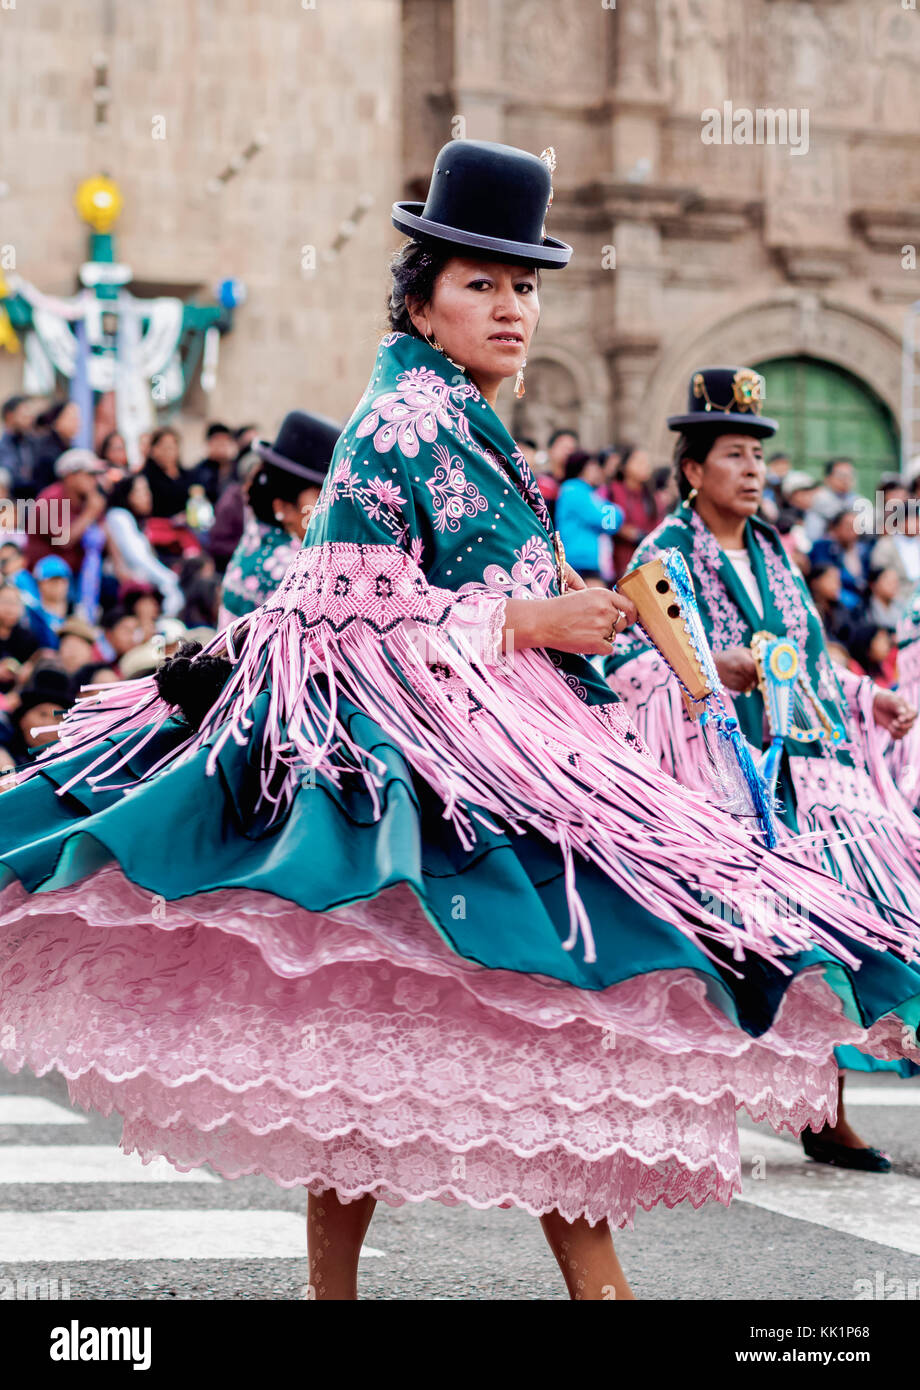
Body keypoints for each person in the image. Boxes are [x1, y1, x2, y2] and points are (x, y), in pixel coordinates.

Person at [2, 142, 920, 1302]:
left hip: (502, 760)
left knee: (454, 1039)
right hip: (432, 776)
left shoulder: (470, 427)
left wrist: (596, 637)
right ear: (422, 294)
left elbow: (502, 612)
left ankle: (416, 1294)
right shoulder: (400, 426)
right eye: (479, 281)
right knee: (516, 1020)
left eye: (524, 285)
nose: (509, 307)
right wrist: (531, 622)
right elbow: (337, 621)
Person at [604, 365, 920, 1171]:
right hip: (713, 783)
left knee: (835, 938)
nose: (752, 471)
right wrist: (716, 664)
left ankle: (824, 1109)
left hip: (804, 779)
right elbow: (632, 661)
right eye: (735, 455)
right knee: (715, 950)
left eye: (757, 455)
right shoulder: (664, 553)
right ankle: (662, 1114)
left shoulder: (776, 552)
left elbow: (805, 662)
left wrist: (864, 700)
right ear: (692, 469)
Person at [217, 411, 340, 629]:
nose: (334, 509)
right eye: (323, 497)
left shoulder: (260, 536)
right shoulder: (292, 571)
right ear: (283, 506)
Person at [103, 472, 185, 617]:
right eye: (140, 491)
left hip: (144, 580)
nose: (147, 496)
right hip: (122, 586)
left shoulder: (136, 520)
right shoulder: (119, 516)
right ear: (127, 494)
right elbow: (137, 558)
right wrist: (169, 578)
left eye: (147, 490)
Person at [23, 447, 108, 581]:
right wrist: (90, 513)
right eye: (89, 474)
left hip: (78, 574)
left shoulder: (88, 498)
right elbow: (63, 540)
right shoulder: (49, 499)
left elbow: (104, 535)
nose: (94, 480)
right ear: (70, 476)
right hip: (46, 579)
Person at [554, 450, 623, 584]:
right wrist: (619, 512)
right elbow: (607, 521)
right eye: (594, 467)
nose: (597, 471)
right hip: (580, 561)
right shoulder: (574, 489)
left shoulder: (584, 492)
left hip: (583, 560)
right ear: (584, 468)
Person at [606, 445, 662, 578]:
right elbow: (607, 523)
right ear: (624, 466)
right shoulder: (612, 490)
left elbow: (658, 526)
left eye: (646, 463)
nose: (644, 466)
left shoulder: (652, 497)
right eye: (638, 462)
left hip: (646, 564)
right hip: (618, 564)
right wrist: (632, 534)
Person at [808, 505, 869, 611]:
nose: (852, 530)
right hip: (834, 601)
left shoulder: (863, 550)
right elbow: (824, 576)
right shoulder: (823, 547)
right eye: (848, 526)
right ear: (835, 528)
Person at [30, 400, 83, 497]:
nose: (78, 422)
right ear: (56, 420)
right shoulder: (47, 452)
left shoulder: (71, 449)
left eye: (78, 418)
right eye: (72, 418)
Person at [805, 457, 860, 541]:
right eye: (841, 475)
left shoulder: (857, 499)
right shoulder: (820, 498)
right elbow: (813, 536)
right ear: (827, 478)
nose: (846, 479)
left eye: (849, 474)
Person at [0, 395, 39, 501]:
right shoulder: (3, 444)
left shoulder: (32, 442)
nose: (30, 418)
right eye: (25, 413)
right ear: (9, 416)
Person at [191, 422, 239, 507]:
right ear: (209, 444)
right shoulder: (198, 472)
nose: (222, 446)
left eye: (225, 442)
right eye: (218, 442)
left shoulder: (237, 467)